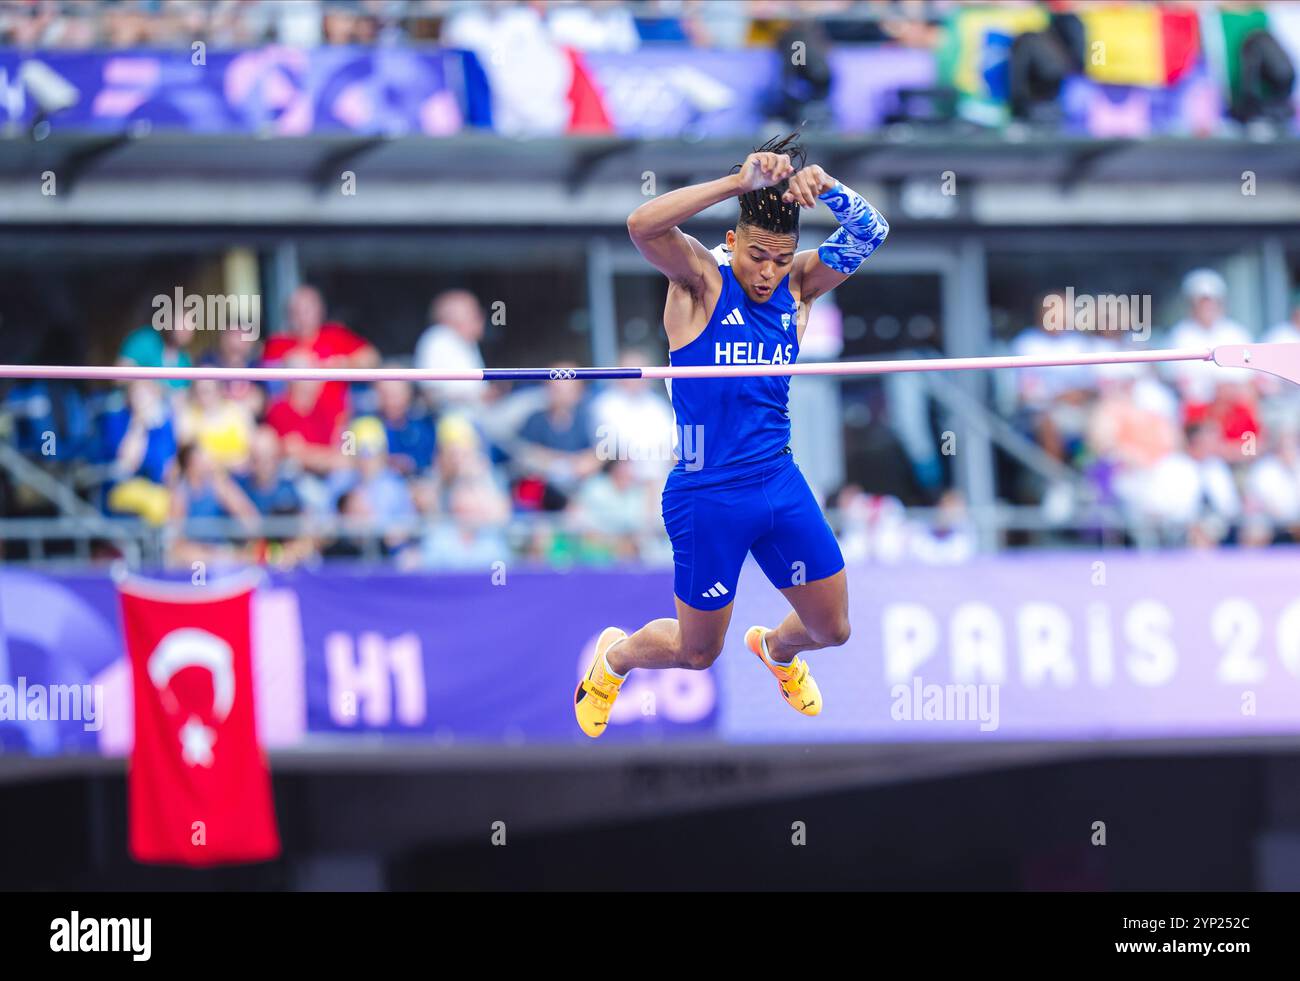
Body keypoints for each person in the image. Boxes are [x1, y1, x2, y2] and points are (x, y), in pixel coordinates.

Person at [575, 133, 889, 738]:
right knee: (697, 654)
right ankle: (614, 659)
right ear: (731, 241)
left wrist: (829, 188)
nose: (768, 271)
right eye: (757, 256)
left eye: (780, 257)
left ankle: (775, 650)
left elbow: (870, 233)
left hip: (778, 482)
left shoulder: (800, 286)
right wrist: (736, 183)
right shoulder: (699, 283)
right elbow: (641, 225)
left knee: (832, 630)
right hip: (706, 494)